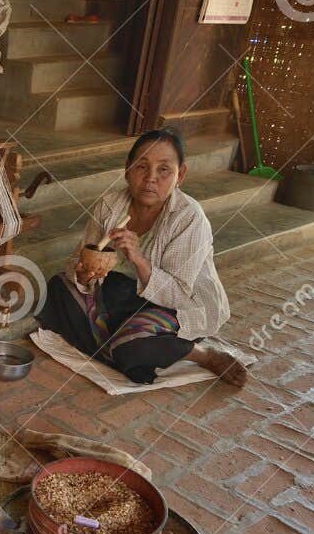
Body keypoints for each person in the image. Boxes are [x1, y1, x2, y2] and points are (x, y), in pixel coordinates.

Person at [36, 127, 247, 386]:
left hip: (178, 306)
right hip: (125, 295)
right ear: (127, 170)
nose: (150, 178)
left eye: (164, 170)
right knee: (58, 287)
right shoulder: (110, 205)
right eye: (141, 167)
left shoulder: (188, 218)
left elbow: (179, 294)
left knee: (130, 346)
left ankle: (199, 354)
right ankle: (127, 344)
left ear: (180, 176)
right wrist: (83, 274)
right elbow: (78, 260)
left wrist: (138, 258)